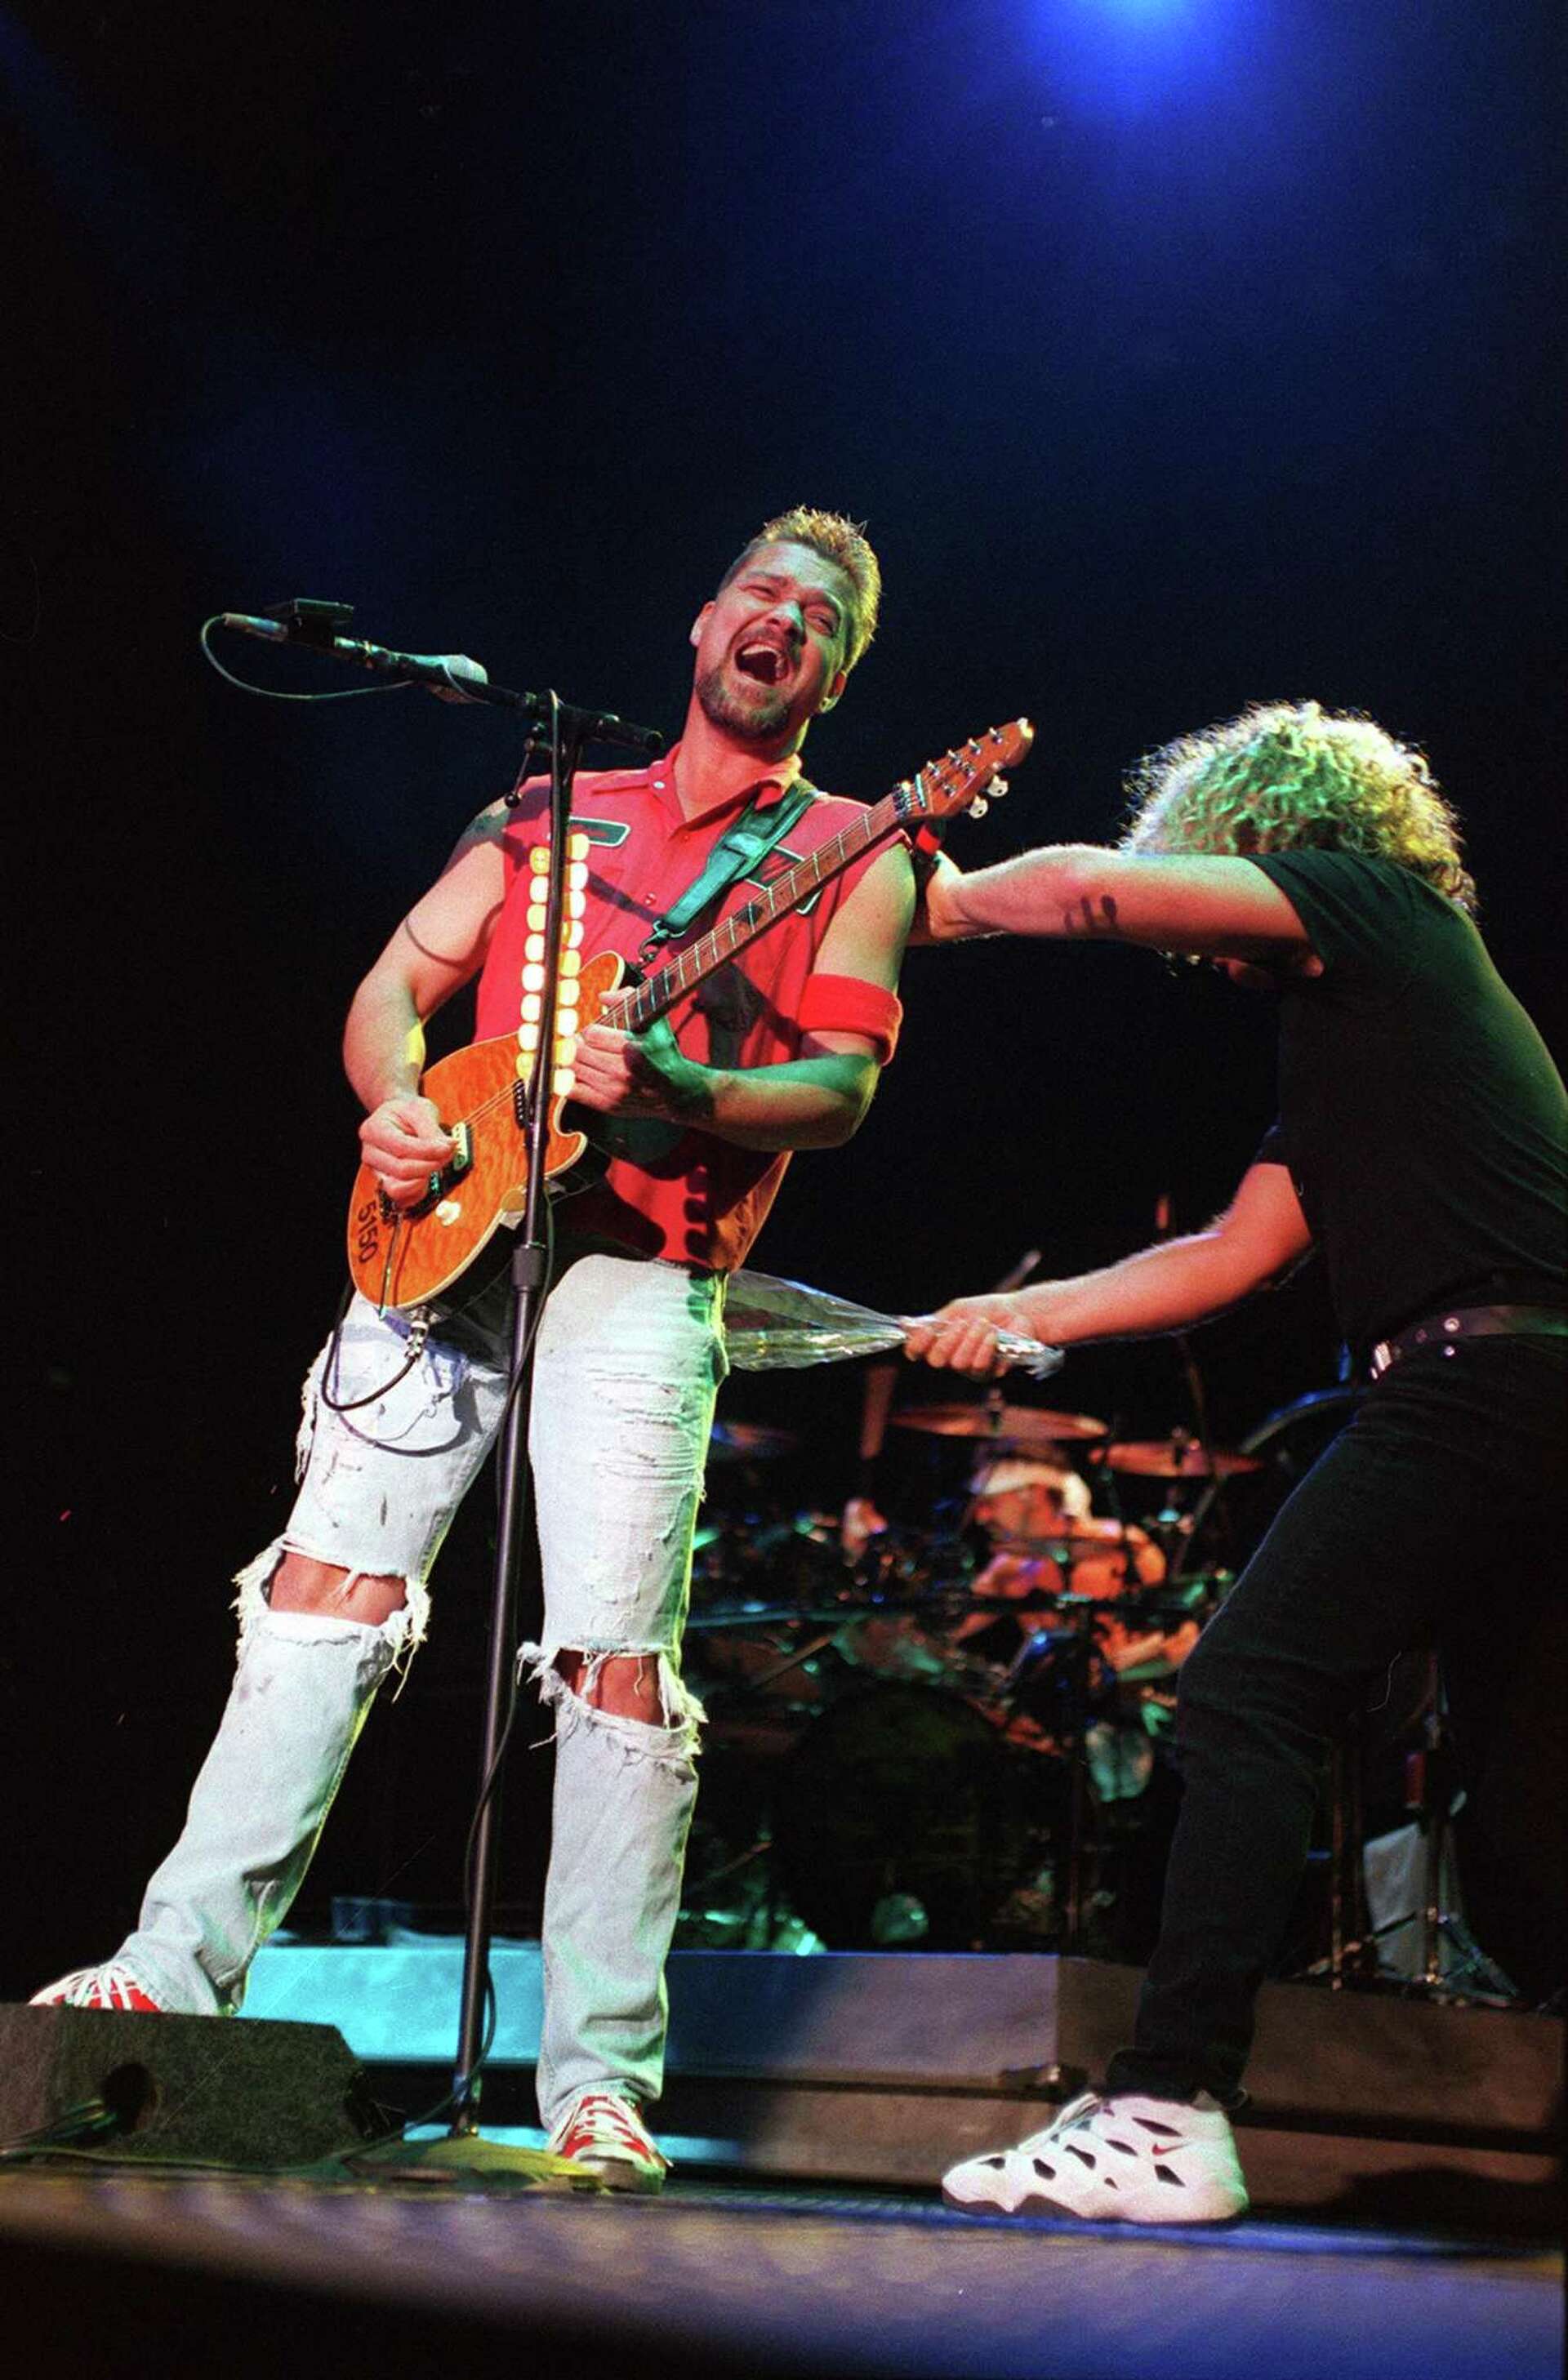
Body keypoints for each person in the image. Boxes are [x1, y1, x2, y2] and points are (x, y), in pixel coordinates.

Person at [35, 507, 916, 2193]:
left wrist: (685, 1094)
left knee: (617, 1671)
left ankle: (598, 2082)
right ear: (701, 619)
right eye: (761, 594)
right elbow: (400, 983)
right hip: (439, 1251)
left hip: (646, 1266)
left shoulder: (859, 851)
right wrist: (391, 1110)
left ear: (838, 668)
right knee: (319, 1602)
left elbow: (844, 1092)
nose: (783, 624)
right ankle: (170, 1972)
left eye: (822, 615)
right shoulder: (555, 805)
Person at [907, 701, 1567, 2222]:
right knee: (1526, 1820)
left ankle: (1165, 2105)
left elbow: (1085, 889)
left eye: (1198, 876)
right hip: (1528, 1393)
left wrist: (929, 905)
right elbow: (1231, 1255)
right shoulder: (1357, 1028)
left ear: (1259, 837)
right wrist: (1015, 1316)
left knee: (1246, 1692)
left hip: (1482, 1378)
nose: (1190, 945)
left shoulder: (1381, 910)